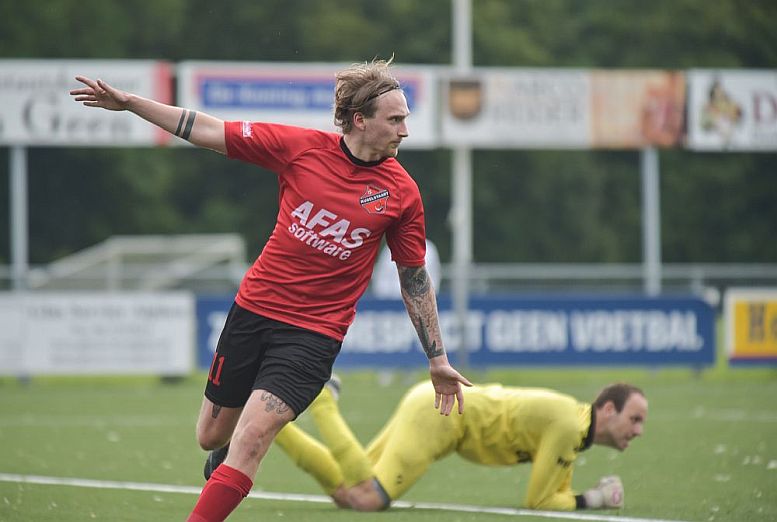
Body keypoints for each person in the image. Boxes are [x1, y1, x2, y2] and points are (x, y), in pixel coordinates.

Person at [70, 58, 471, 522]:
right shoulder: (300, 148)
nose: (405, 130)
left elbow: (413, 278)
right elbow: (208, 129)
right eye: (395, 119)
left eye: (405, 119)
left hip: (315, 334)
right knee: (211, 436)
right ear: (360, 120)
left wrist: (437, 359)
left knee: (253, 438)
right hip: (253, 311)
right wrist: (130, 103)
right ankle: (252, 422)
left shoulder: (402, 193)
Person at [274, 379, 647, 511]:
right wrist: (596, 498)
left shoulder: (573, 426)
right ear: (608, 410)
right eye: (634, 419)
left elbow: (554, 491)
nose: (639, 430)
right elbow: (540, 501)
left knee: (346, 492)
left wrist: (582, 496)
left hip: (435, 405)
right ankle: (323, 399)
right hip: (441, 416)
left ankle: (265, 421)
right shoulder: (570, 427)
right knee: (366, 498)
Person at [373, 239, 441, 298]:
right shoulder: (389, 249)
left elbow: (434, 278)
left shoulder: (429, 249)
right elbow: (381, 279)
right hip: (391, 302)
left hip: (419, 302)